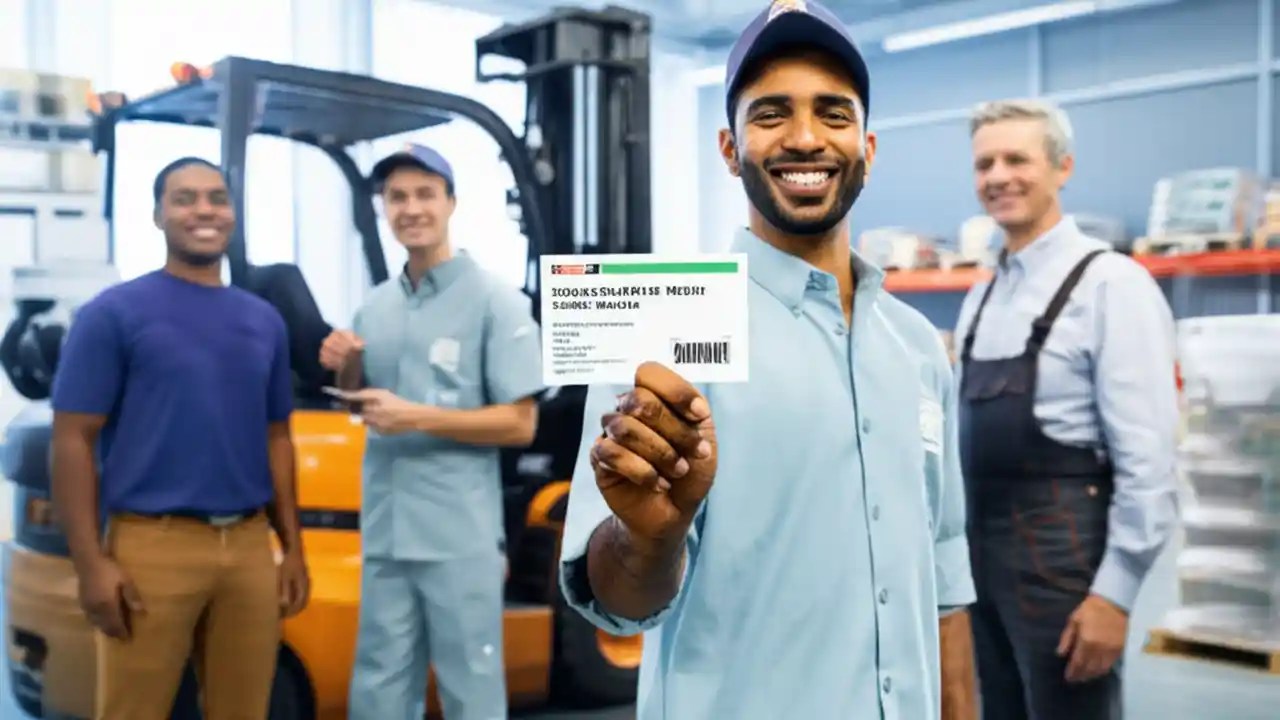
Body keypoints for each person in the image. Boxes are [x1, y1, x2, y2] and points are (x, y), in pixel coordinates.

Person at [556, 2, 979, 718]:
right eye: (772, 113)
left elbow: (941, 575)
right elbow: (618, 602)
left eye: (834, 115)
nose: (806, 138)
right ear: (730, 149)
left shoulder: (913, 345)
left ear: (868, 150)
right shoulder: (665, 329)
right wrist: (646, 541)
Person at [50, 156, 311, 720]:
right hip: (152, 545)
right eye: (185, 198)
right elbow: (71, 440)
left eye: (217, 198)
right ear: (157, 215)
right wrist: (91, 563)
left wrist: (292, 549)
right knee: (132, 710)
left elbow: (276, 439)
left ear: (233, 214)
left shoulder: (263, 319)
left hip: (246, 548)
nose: (204, 210)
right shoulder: (113, 314)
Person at [957, 98, 1180, 719]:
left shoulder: (1111, 286)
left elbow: (1149, 458)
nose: (998, 176)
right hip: (982, 563)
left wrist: (1117, 594)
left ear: (1062, 168)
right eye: (984, 164)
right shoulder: (983, 296)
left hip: (1064, 564)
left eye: (1016, 159)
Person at [319, 143, 544, 720]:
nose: (410, 208)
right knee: (378, 684)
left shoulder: (497, 301)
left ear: (451, 203)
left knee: (471, 687)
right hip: (387, 530)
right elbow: (361, 404)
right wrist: (344, 362)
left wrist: (414, 415)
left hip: (457, 536)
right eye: (397, 197)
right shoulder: (377, 306)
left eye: (424, 194)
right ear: (383, 209)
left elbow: (520, 424)